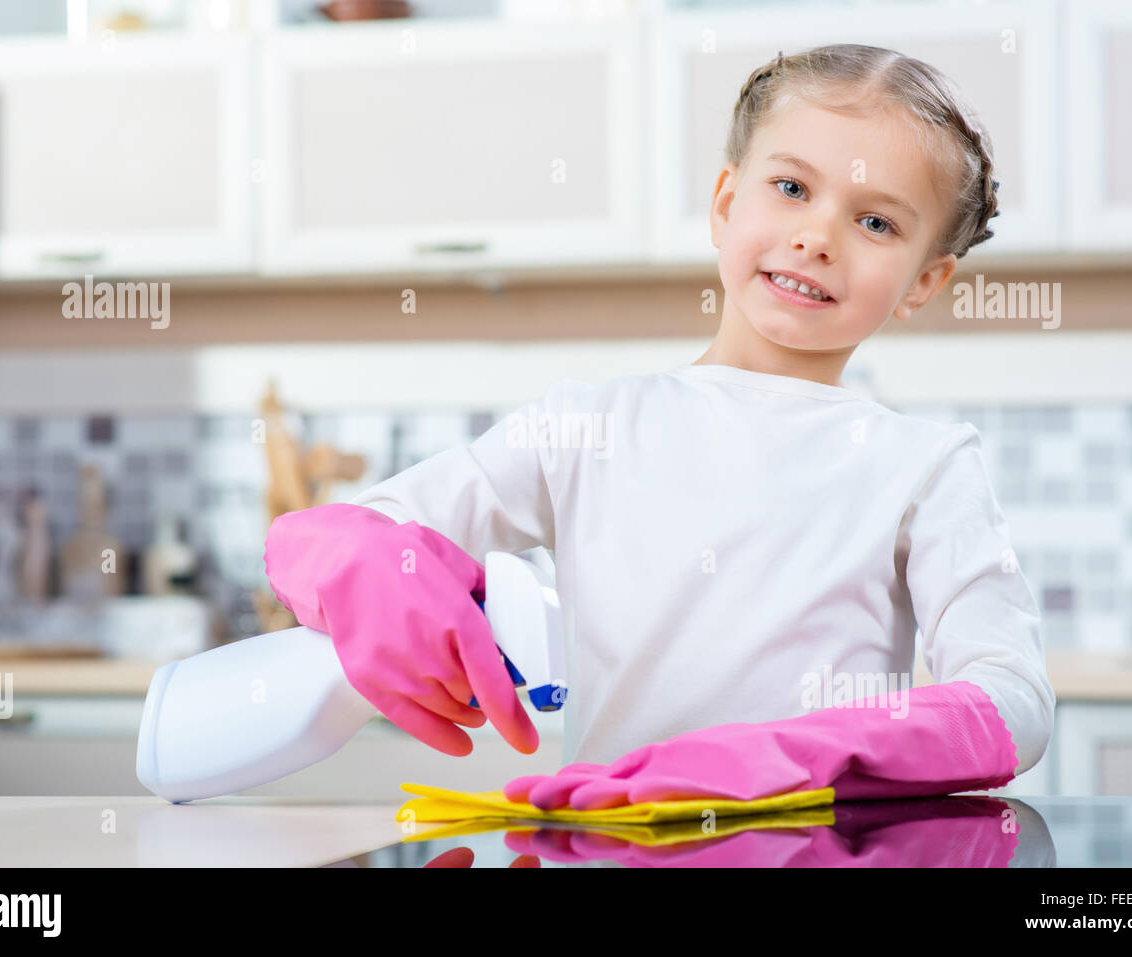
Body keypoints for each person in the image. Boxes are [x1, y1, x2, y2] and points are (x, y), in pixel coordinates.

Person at [264, 43, 1054, 812]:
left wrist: (813, 750)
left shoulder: (925, 466)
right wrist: (361, 560)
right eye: (789, 186)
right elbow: (353, 532)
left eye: (876, 223)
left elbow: (1013, 698)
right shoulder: (585, 429)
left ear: (924, 281)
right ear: (724, 203)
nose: (817, 236)